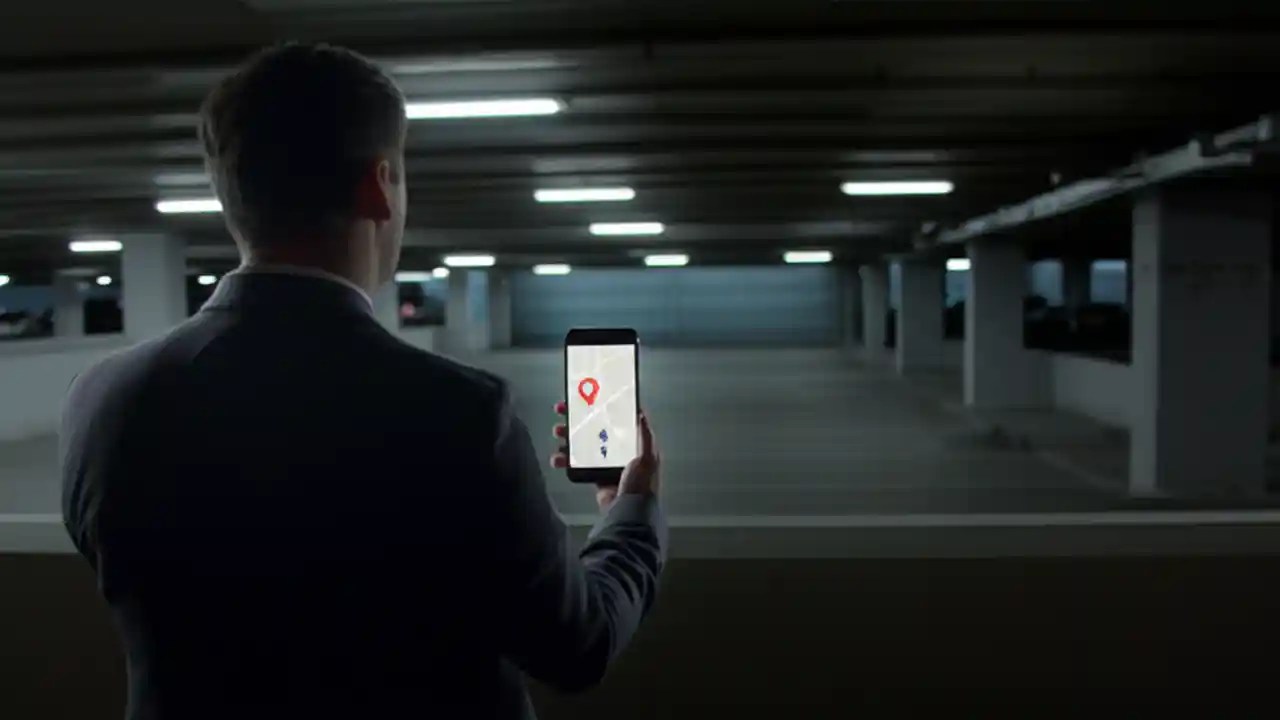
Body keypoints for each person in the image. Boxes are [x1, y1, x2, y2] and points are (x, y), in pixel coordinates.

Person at [60, 43, 667, 720]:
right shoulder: (458, 414)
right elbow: (576, 645)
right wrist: (629, 512)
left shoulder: (103, 401)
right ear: (378, 186)